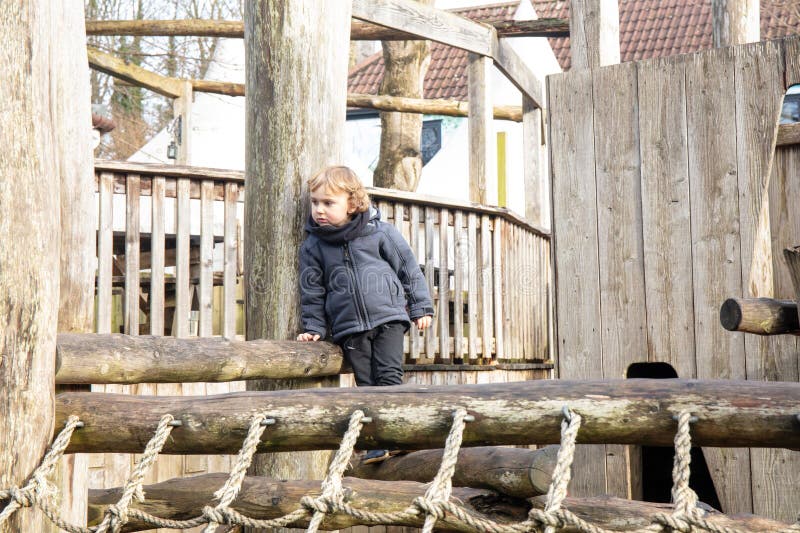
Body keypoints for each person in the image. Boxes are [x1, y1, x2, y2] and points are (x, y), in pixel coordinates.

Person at [297, 165, 434, 463]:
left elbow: (408, 268)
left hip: (388, 319)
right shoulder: (314, 246)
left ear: (352, 203)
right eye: (315, 202)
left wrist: (421, 307)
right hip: (350, 328)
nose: (319, 210)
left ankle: (400, 436)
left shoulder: (379, 232)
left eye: (328, 203)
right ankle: (378, 442)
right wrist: (314, 326)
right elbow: (312, 290)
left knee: (388, 377)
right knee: (367, 385)